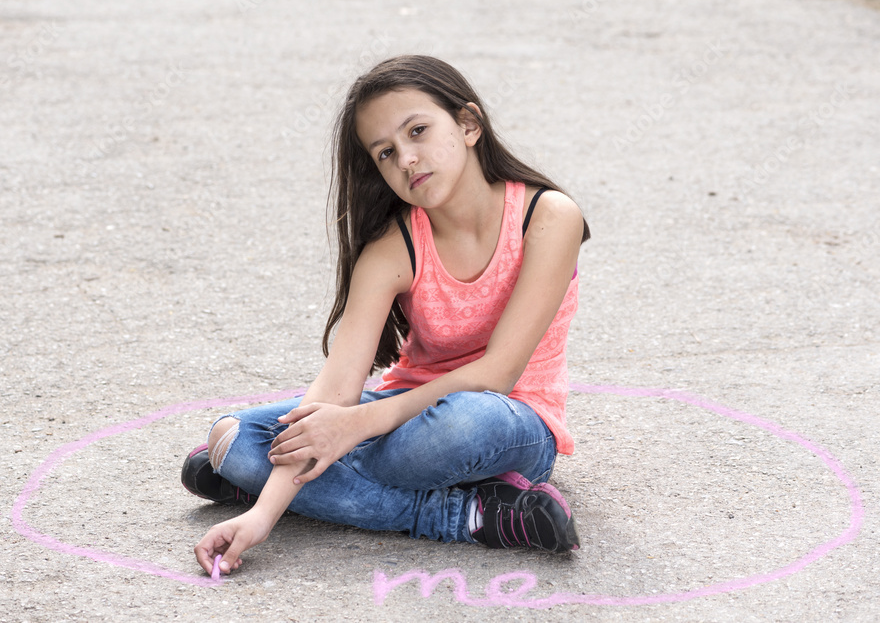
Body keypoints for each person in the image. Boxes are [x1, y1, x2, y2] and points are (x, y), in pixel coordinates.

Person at [183, 54, 591, 577]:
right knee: (234, 439)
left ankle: (294, 483)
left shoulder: (547, 215)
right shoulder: (392, 246)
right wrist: (262, 516)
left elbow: (499, 372)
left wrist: (351, 428)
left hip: (508, 423)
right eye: (385, 152)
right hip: (401, 413)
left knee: (463, 422)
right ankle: (467, 515)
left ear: (469, 124)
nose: (407, 160)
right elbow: (333, 392)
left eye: (418, 131)